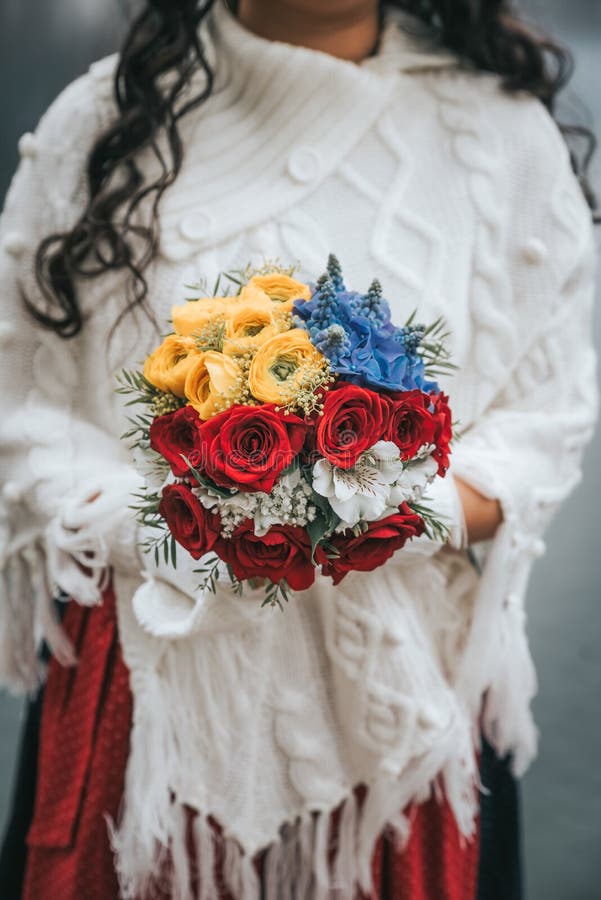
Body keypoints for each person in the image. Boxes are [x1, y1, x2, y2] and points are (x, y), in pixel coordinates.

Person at [0, 1, 597, 897]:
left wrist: (363, 509)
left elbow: (542, 421)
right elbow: (27, 401)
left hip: (404, 723)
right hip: (145, 698)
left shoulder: (502, 139)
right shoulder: (103, 124)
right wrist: (191, 524)